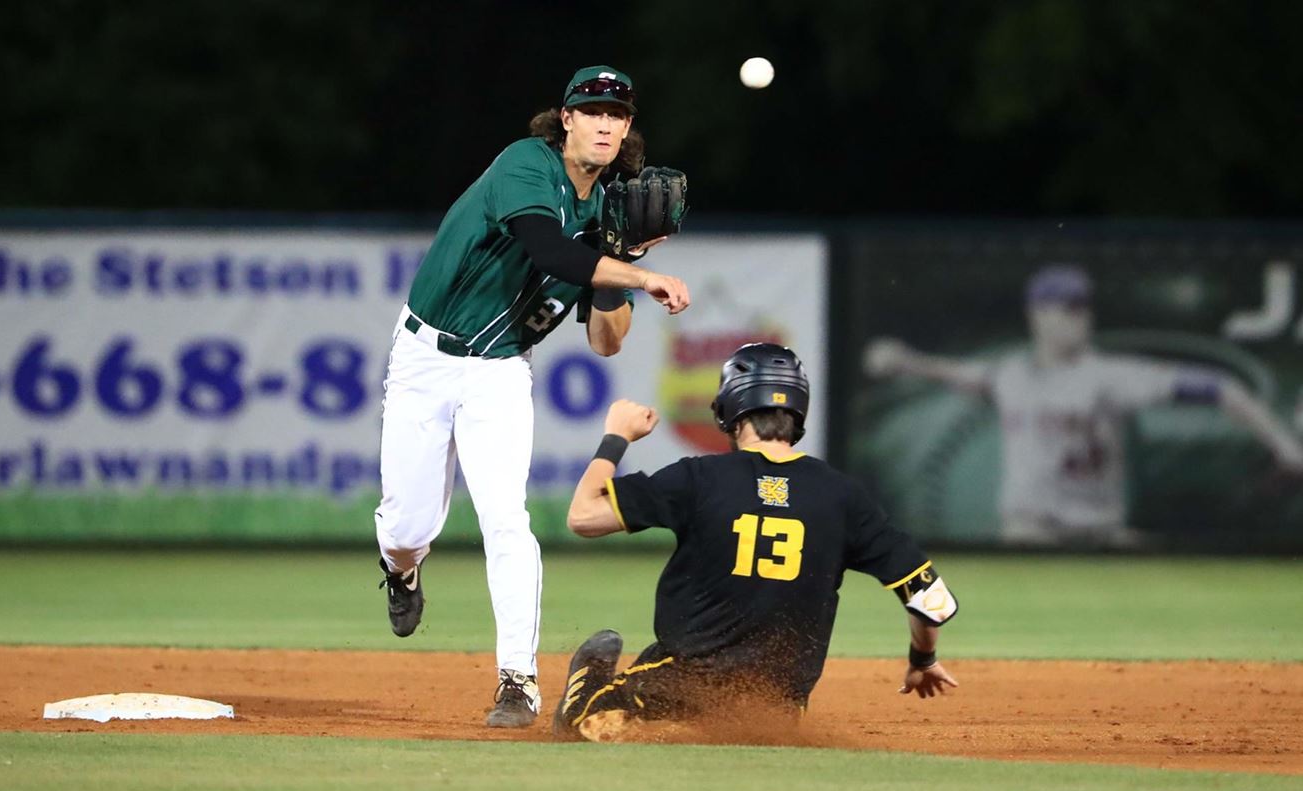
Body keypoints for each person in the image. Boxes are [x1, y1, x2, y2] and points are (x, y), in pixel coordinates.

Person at [374, 65, 691, 729]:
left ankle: (517, 681)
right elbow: (548, 248)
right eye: (592, 109)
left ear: (627, 128)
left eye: (618, 114)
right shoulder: (526, 163)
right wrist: (639, 268)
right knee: (409, 527)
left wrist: (620, 267)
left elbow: (606, 341)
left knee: (506, 521)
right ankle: (401, 568)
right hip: (425, 357)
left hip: (498, 371)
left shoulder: (610, 215)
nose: (605, 122)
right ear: (566, 119)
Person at [554, 343, 959, 741]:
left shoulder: (699, 478)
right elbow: (929, 598)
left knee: (588, 724)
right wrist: (922, 659)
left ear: (728, 409)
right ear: (799, 411)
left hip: (683, 683)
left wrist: (616, 437)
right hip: (776, 708)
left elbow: (582, 517)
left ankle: (590, 692)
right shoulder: (844, 496)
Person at [863, 264, 1303, 548]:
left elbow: (1221, 388)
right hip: (1028, 532)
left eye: (1083, 307)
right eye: (1067, 308)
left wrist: (1283, 445)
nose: (1080, 317)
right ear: (1038, 314)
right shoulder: (1009, 374)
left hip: (1099, 535)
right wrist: (906, 361)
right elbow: (958, 374)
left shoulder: (1109, 374)